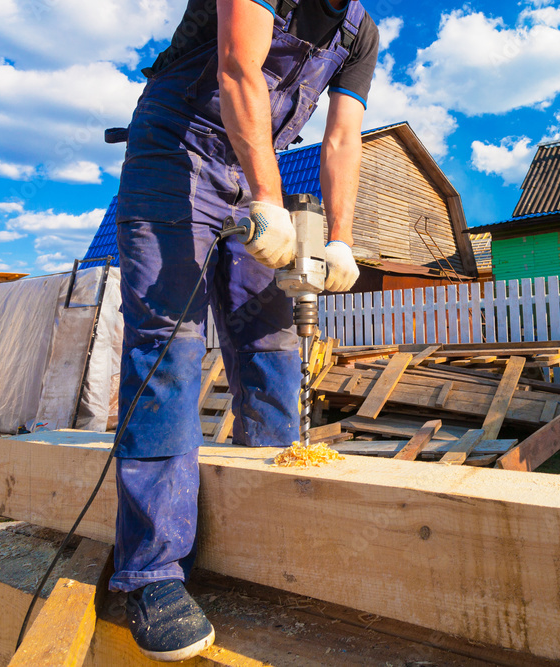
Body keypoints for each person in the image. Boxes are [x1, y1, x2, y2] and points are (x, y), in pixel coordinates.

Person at [108, 0, 380, 661]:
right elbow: (237, 67)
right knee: (169, 350)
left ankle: (271, 527)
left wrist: (338, 240)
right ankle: (151, 573)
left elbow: (342, 139)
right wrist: (268, 194)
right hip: (178, 150)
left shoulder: (361, 33)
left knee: (272, 346)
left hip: (255, 163)